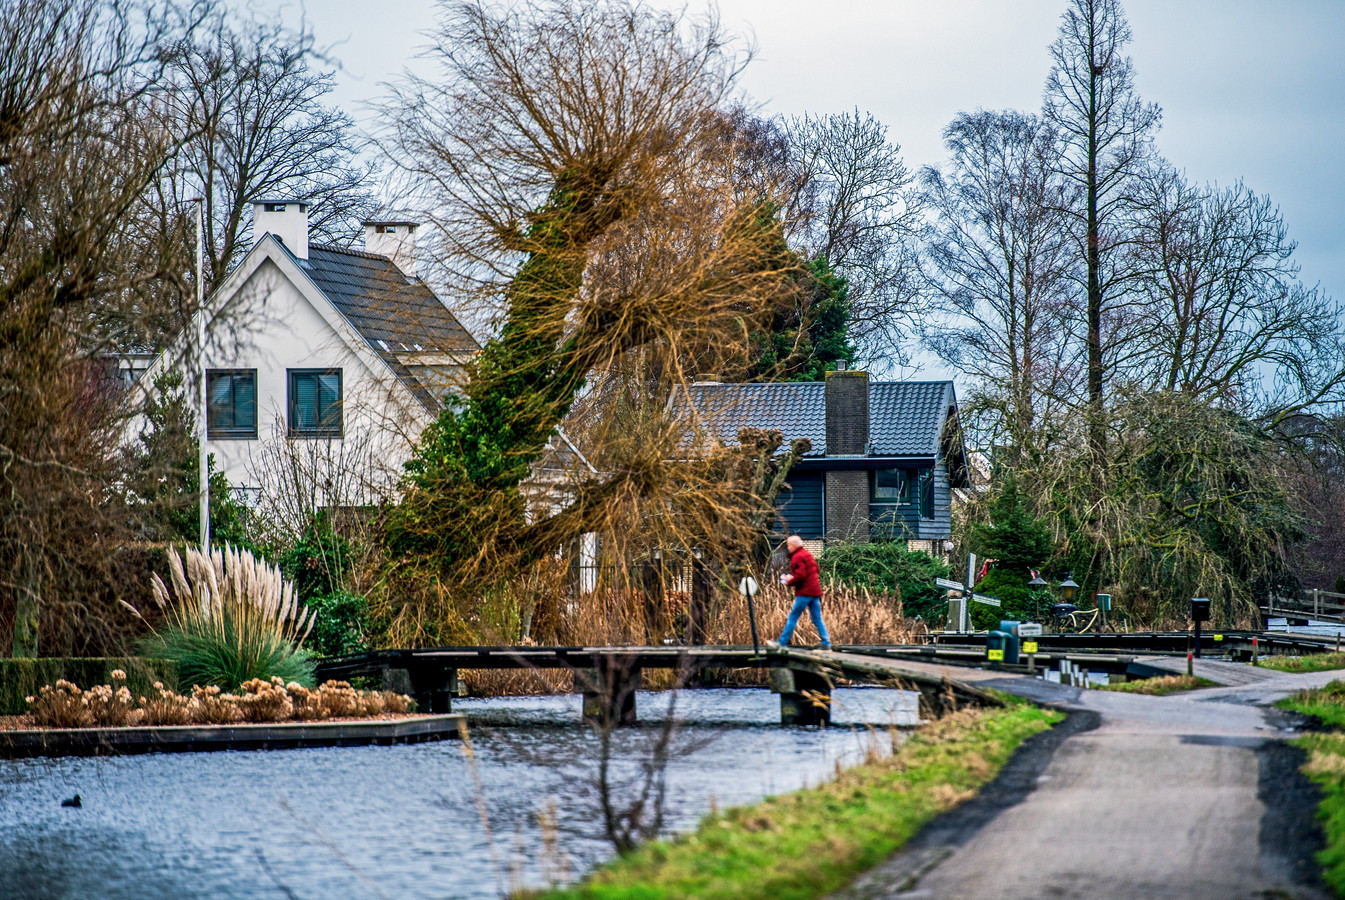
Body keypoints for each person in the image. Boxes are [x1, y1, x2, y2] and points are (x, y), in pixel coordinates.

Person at [771, 535, 832, 649]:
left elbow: (801, 575)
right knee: (817, 618)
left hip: (805, 592)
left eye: (789, 545)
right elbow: (815, 570)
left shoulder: (797, 557)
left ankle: (782, 642)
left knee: (793, 616)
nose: (788, 548)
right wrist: (793, 577)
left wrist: (789, 581)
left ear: (794, 545)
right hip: (815, 591)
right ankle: (826, 643)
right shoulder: (808, 554)